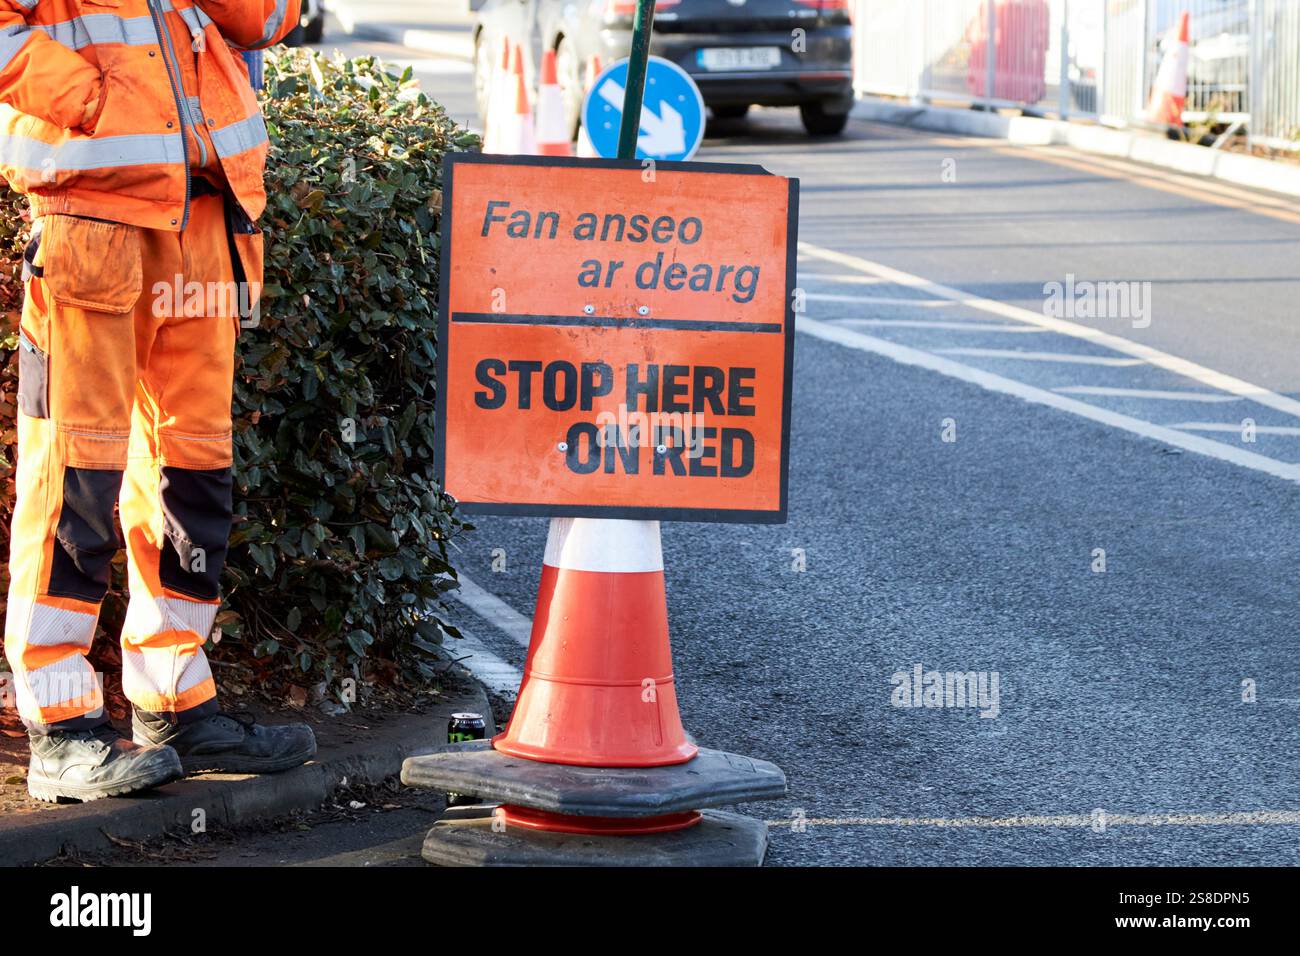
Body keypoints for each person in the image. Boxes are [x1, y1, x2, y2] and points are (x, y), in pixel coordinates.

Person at [0, 0, 314, 802]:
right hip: (92, 219)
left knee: (191, 473)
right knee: (76, 471)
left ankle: (175, 701)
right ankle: (60, 728)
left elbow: (269, 19)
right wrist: (97, 100)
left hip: (206, 218)